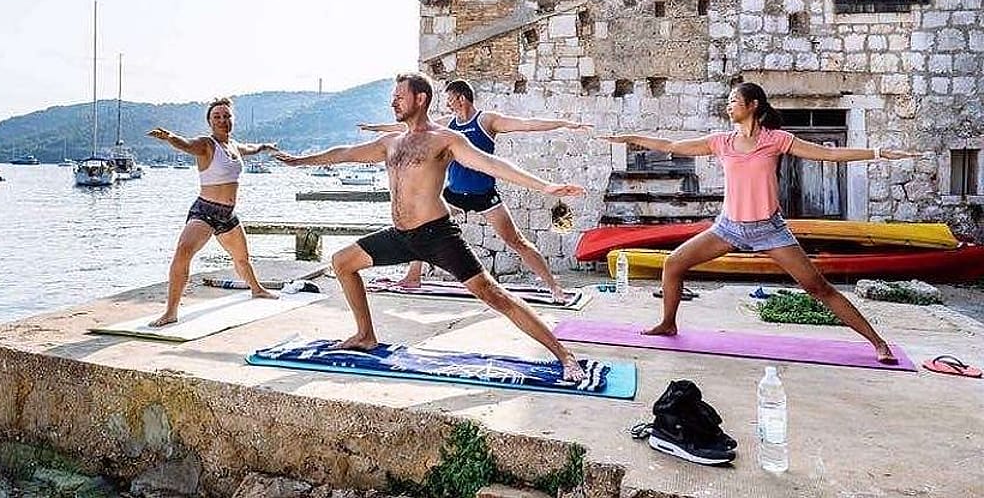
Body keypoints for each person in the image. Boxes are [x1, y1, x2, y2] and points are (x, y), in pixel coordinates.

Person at [274, 73, 589, 381]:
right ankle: (365, 334)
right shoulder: (391, 142)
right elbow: (344, 154)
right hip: (402, 236)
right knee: (342, 262)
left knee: (493, 294)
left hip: (437, 235)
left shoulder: (444, 139)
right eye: (393, 97)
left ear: (420, 98)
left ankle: (564, 354)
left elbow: (491, 164)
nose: (393, 102)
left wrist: (545, 186)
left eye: (399, 96)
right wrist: (299, 161)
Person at [600, 82, 921, 363]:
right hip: (728, 227)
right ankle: (668, 323)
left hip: (769, 230)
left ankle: (878, 342)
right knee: (673, 264)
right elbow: (671, 146)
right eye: (727, 101)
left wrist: (878, 152)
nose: (728, 106)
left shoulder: (776, 140)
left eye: (733, 101)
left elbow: (829, 155)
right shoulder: (720, 142)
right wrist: (629, 138)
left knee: (818, 287)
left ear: (753, 106)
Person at [359, 78, 590, 302]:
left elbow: (526, 124)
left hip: (484, 195)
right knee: (419, 226)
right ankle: (413, 277)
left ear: (461, 98)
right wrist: (374, 128)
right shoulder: (447, 123)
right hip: (454, 194)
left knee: (516, 240)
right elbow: (406, 127)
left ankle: (555, 287)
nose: (447, 103)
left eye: (450, 98)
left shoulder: (487, 121)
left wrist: (563, 123)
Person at [146, 97, 279, 327]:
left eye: (226, 116)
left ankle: (256, 290)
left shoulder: (235, 146)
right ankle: (170, 311)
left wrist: (265, 146)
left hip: (228, 215)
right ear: (210, 121)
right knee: (183, 253)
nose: (222, 120)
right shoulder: (206, 144)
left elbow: (252, 148)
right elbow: (186, 144)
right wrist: (169, 138)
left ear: (232, 119)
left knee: (242, 259)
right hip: (205, 212)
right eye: (216, 116)